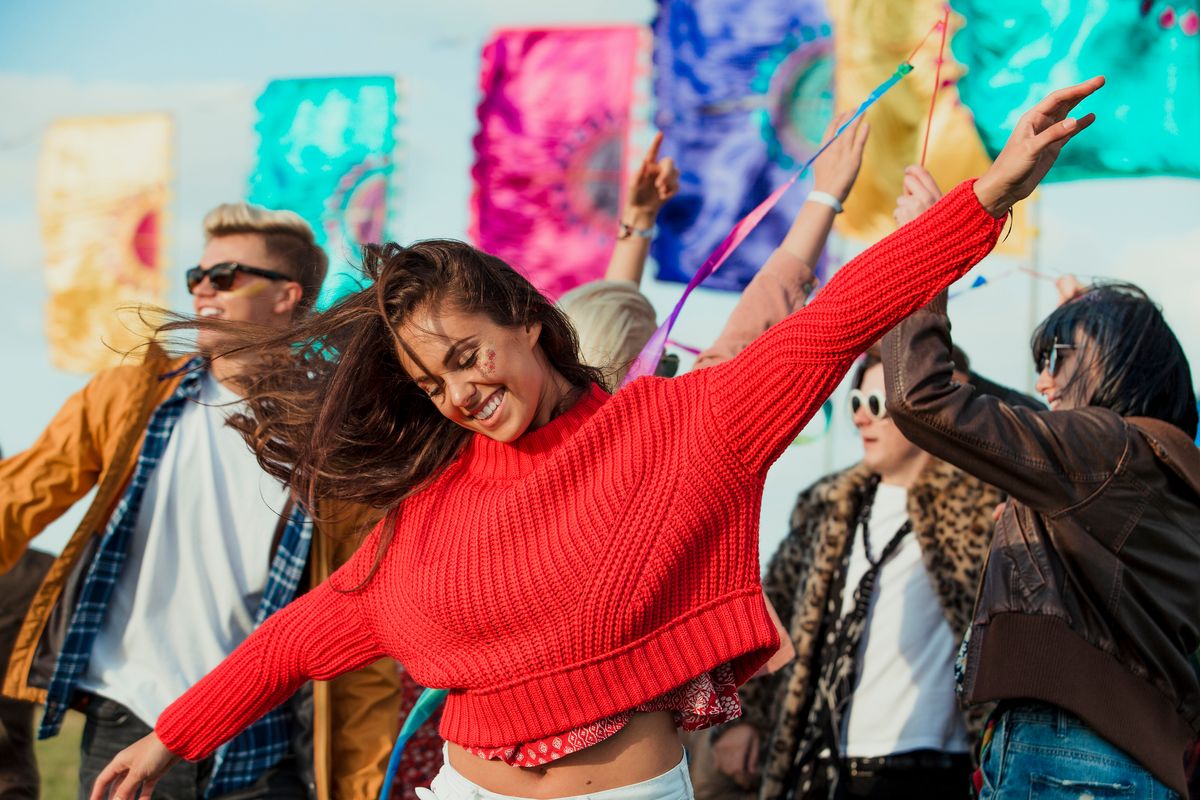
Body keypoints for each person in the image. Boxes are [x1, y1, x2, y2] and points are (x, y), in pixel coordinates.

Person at [90, 77, 1102, 800]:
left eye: (467, 354)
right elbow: (298, 634)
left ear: (526, 318)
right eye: (430, 379)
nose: (458, 391)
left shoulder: (684, 426)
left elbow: (834, 317)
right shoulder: (436, 507)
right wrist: (172, 736)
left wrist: (991, 191)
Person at [0, 203, 401, 800]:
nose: (203, 290)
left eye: (227, 275)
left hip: (260, 732)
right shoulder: (129, 399)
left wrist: (362, 786)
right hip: (125, 720)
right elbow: (18, 497)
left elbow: (360, 610)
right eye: (197, 275)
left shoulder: (334, 435)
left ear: (287, 295)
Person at [881, 165, 1200, 795]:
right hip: (1106, 756)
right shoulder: (1146, 465)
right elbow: (989, 416)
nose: (1043, 382)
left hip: (1066, 755)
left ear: (1116, 362)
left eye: (1058, 359)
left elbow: (923, 399)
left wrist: (923, 254)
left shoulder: (1108, 453)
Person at [695, 346, 1000, 800]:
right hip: (818, 761)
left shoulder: (983, 507)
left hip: (929, 767)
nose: (861, 417)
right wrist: (745, 722)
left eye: (877, 405)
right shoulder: (827, 504)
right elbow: (766, 619)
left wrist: (944, 382)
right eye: (856, 402)